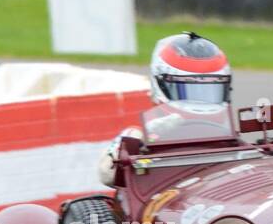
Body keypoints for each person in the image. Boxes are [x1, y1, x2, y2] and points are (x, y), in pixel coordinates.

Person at [96, 32, 232, 186]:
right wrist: (145, 140)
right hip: (160, 198)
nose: (200, 102)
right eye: (187, 91)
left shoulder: (230, 137)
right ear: (160, 84)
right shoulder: (138, 134)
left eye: (208, 92)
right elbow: (106, 174)